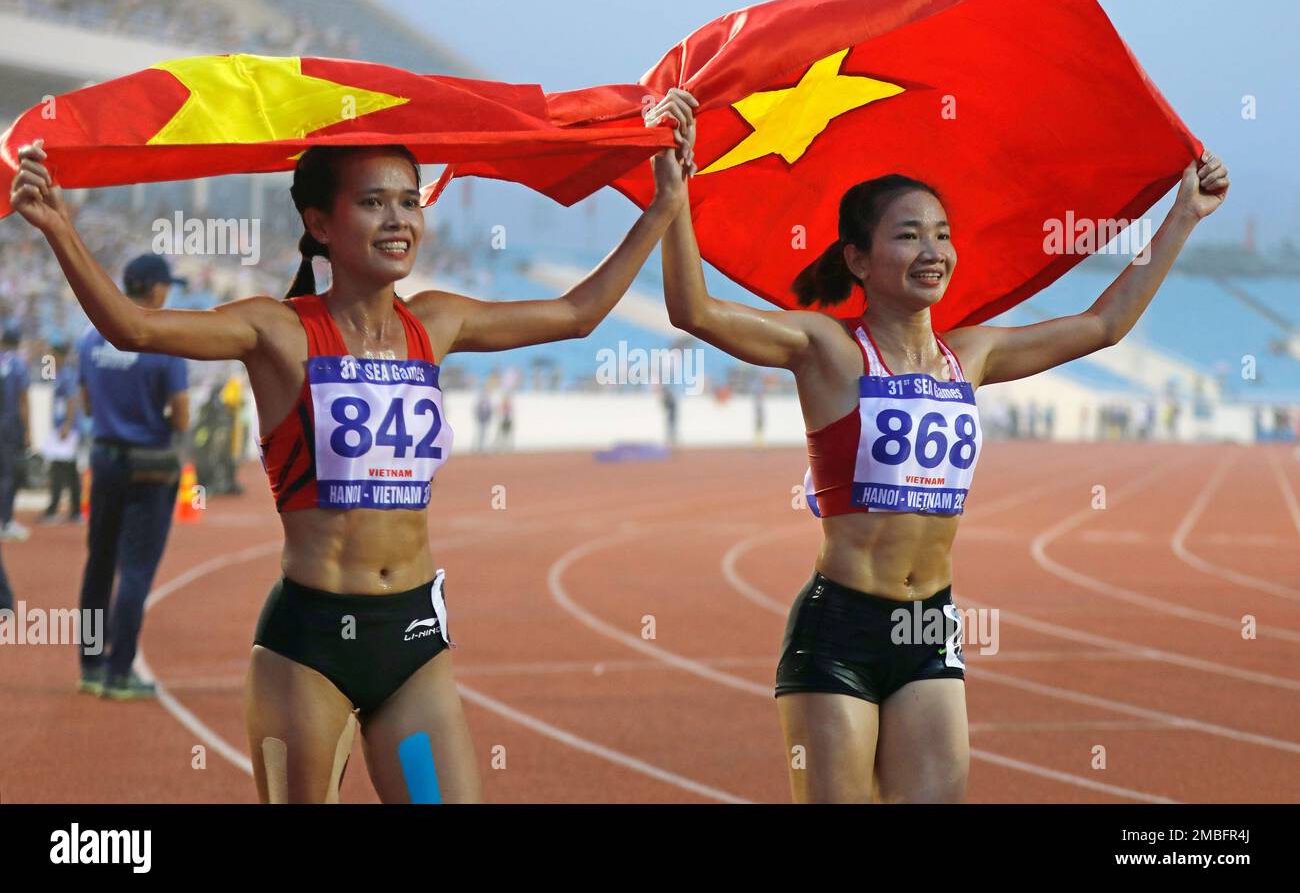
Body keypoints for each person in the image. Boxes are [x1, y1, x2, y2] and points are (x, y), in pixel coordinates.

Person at [10, 109, 691, 802]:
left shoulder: (438, 321)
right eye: (373, 202)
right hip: (309, 648)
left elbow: (577, 314)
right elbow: (133, 326)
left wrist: (664, 205)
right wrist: (60, 227)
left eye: (408, 200)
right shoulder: (277, 331)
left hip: (414, 640)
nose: (399, 220)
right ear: (321, 224)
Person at [653, 88, 1228, 802]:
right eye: (909, 235)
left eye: (942, 233)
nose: (933, 250)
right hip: (839, 632)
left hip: (929, 626)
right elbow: (694, 310)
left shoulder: (973, 356)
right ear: (858, 261)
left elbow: (1104, 324)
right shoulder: (829, 350)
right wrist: (672, 198)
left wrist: (1183, 216)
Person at [73, 253, 190, 700]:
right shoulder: (163, 341)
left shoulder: (90, 337)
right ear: (156, 289)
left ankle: (90, 664)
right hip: (150, 464)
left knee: (98, 563)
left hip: (104, 459)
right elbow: (180, 417)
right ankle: (121, 669)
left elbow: (86, 404)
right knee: (136, 569)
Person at [39, 340, 83, 524]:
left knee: (62, 469)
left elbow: (71, 401)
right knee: (66, 468)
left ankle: (58, 508)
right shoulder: (57, 374)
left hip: (66, 429)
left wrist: (67, 424)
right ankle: (73, 510)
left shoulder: (68, 375)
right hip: (59, 428)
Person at [0, 324, 31, 543]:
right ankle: (6, 521)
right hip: (9, 426)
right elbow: (23, 401)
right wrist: (28, 430)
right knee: (7, 475)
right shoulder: (19, 364)